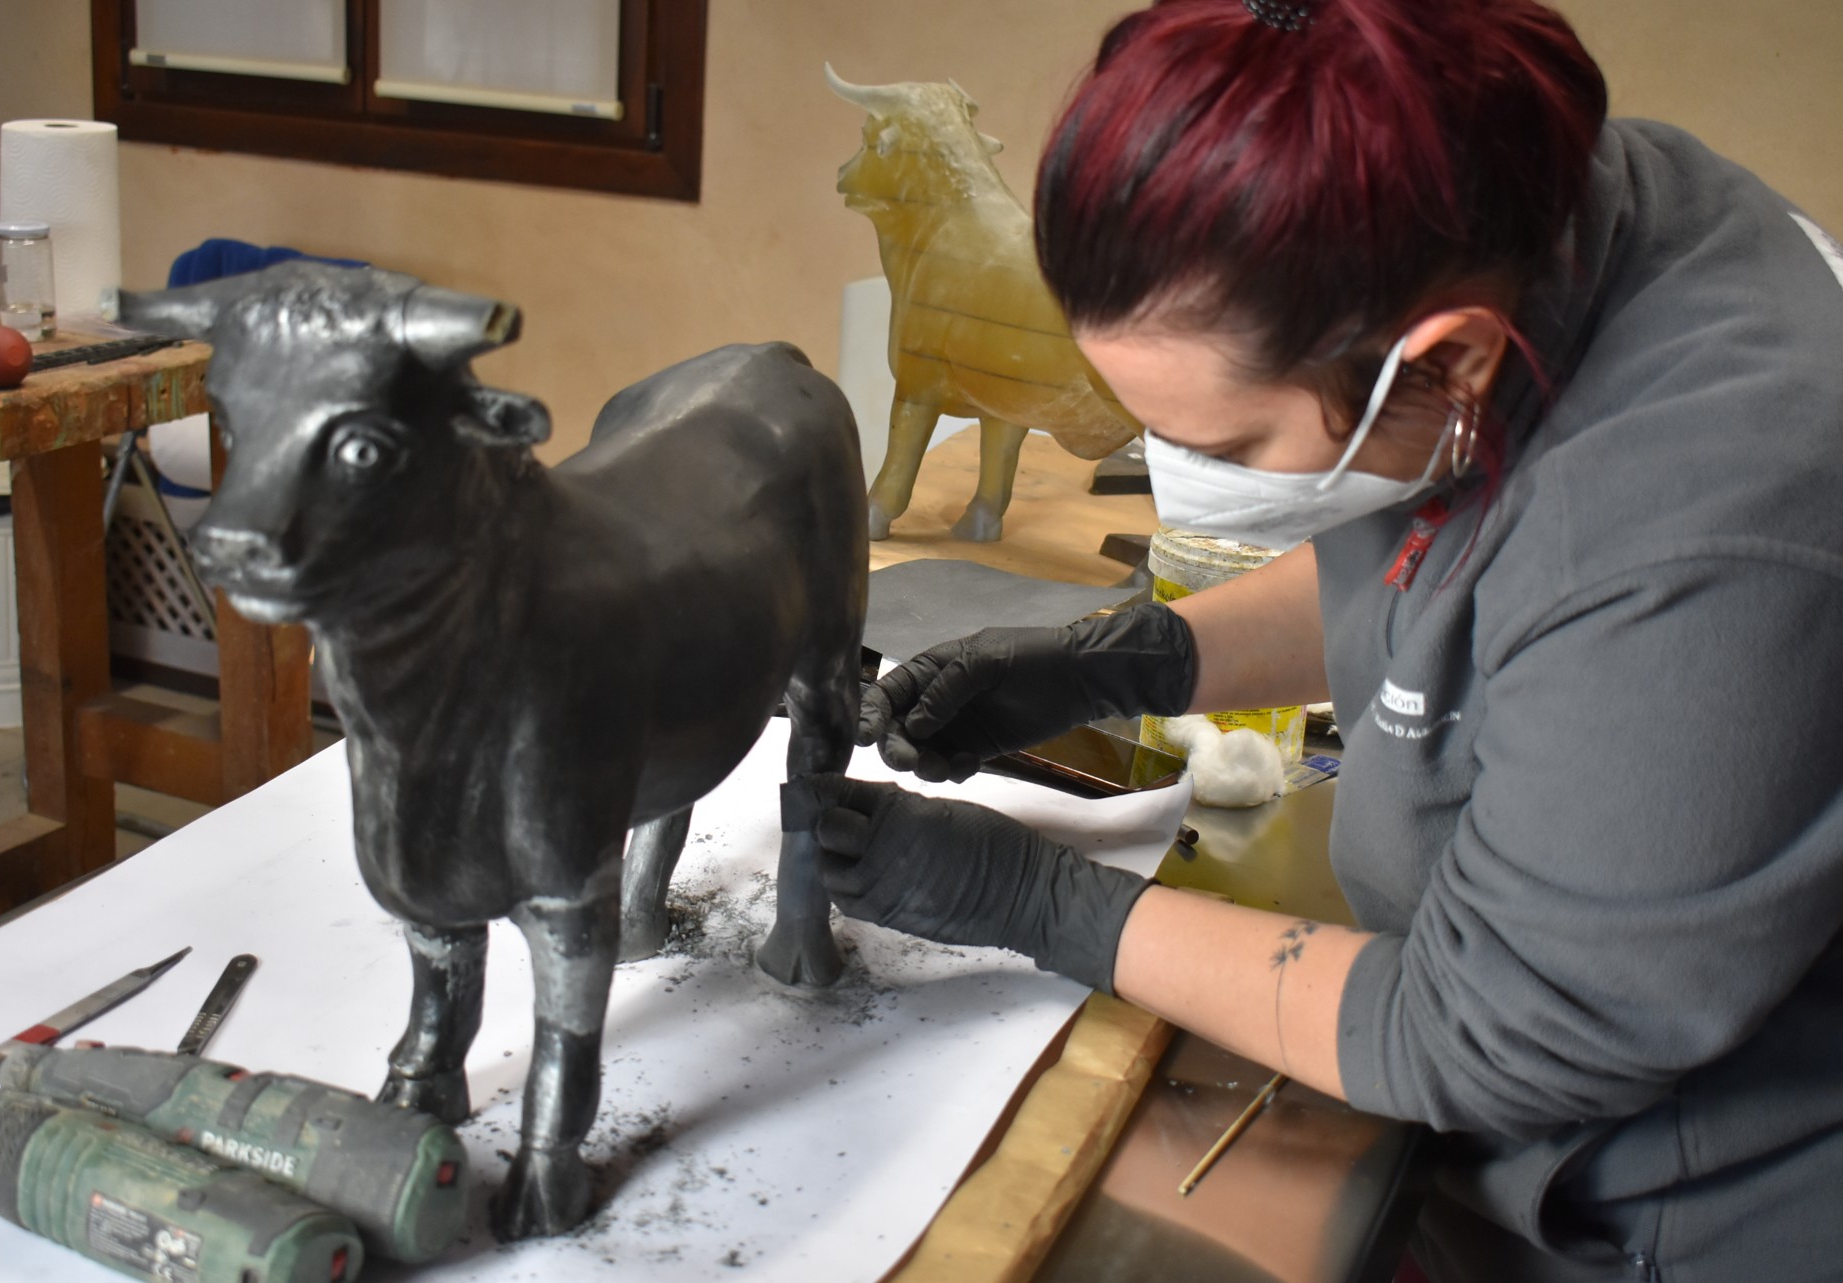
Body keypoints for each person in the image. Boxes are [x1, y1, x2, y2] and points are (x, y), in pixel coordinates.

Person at [785, 1, 1843, 1279]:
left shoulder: (1707, 527)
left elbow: (1491, 1031)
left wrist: (1036, 898)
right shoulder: (1531, 211)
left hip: (1670, 1209)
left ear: (1447, 359)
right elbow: (1433, 562)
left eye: (1228, 444)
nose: (1178, 470)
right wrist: (1130, 660)